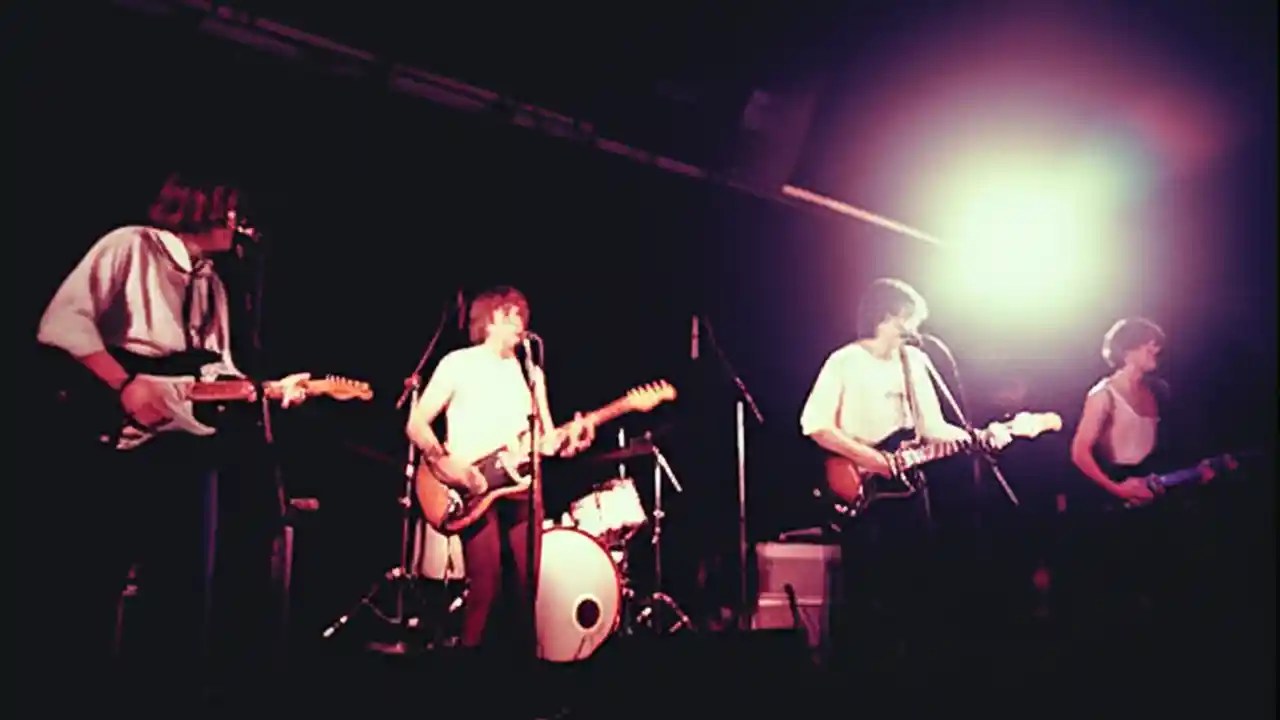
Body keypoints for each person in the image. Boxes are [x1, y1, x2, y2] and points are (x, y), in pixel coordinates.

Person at [34, 171, 311, 703]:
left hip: (184, 443)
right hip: (110, 435)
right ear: (204, 205)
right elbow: (61, 324)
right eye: (232, 208)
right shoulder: (130, 245)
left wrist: (271, 391)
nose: (239, 222)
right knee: (93, 580)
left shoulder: (213, 281)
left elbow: (214, 372)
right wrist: (124, 385)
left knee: (185, 587)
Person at [799, 277, 1011, 676]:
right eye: (911, 318)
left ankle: (910, 677)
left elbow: (932, 428)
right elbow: (814, 424)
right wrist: (871, 459)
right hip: (861, 484)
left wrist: (981, 436)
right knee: (866, 589)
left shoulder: (915, 361)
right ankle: (858, 676)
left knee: (915, 585)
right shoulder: (844, 361)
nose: (917, 328)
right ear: (889, 316)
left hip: (909, 487)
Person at [406, 286, 595, 660]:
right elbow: (416, 423)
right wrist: (446, 461)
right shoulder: (458, 363)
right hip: (473, 487)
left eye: (522, 314)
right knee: (486, 584)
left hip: (522, 488)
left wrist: (571, 441)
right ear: (489, 319)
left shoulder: (530, 371)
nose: (519, 322)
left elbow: (546, 439)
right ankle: (471, 670)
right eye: (510, 313)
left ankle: (524, 674)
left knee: (526, 588)